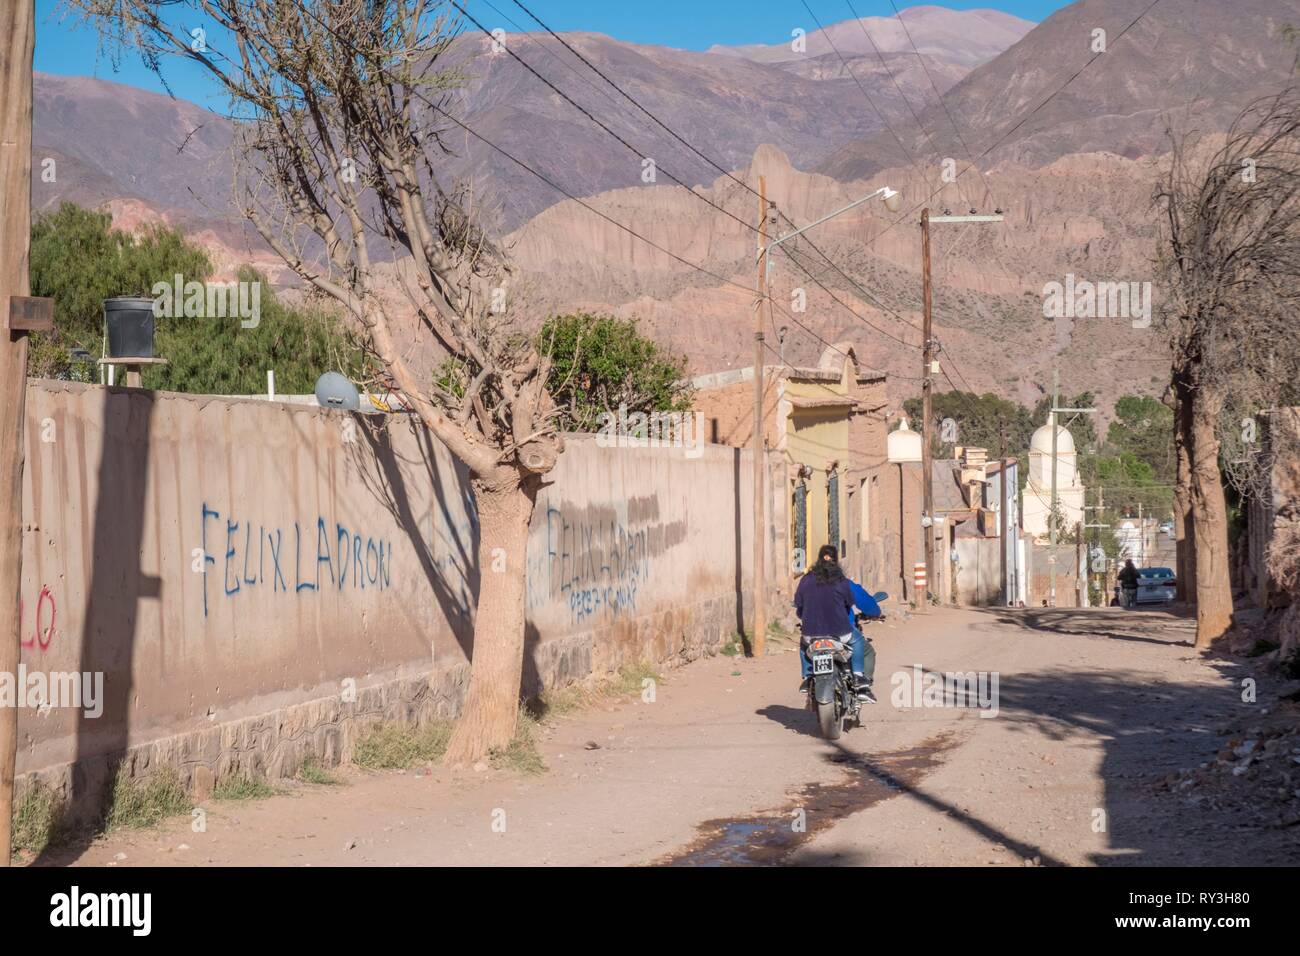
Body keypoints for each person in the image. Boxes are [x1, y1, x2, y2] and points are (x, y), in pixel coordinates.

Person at [794, 545, 873, 701]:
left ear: (818, 559)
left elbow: (798, 603)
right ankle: (857, 675)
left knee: (804, 645)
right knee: (857, 641)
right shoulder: (841, 580)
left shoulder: (806, 579)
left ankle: (808, 675)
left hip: (811, 634)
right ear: (836, 560)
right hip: (840, 633)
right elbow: (849, 602)